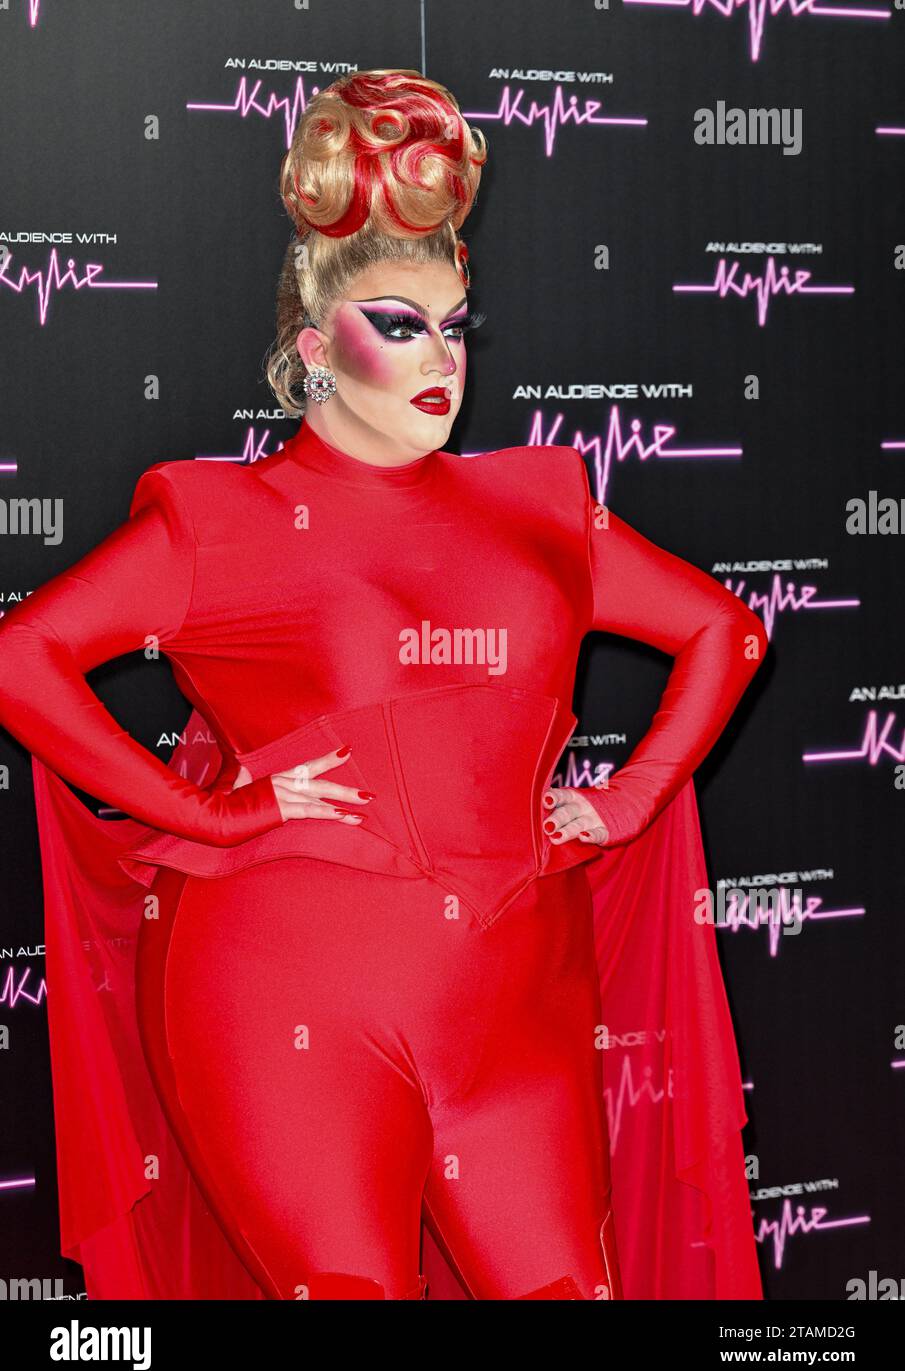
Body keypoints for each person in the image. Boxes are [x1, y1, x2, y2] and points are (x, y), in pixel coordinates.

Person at [0, 69, 768, 1300]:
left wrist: (627, 802)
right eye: (398, 325)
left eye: (453, 324)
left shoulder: (536, 509)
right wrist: (204, 814)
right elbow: (19, 658)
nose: (439, 360)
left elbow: (722, 632)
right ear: (315, 348)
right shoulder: (220, 521)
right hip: (279, 1004)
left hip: (516, 1007)